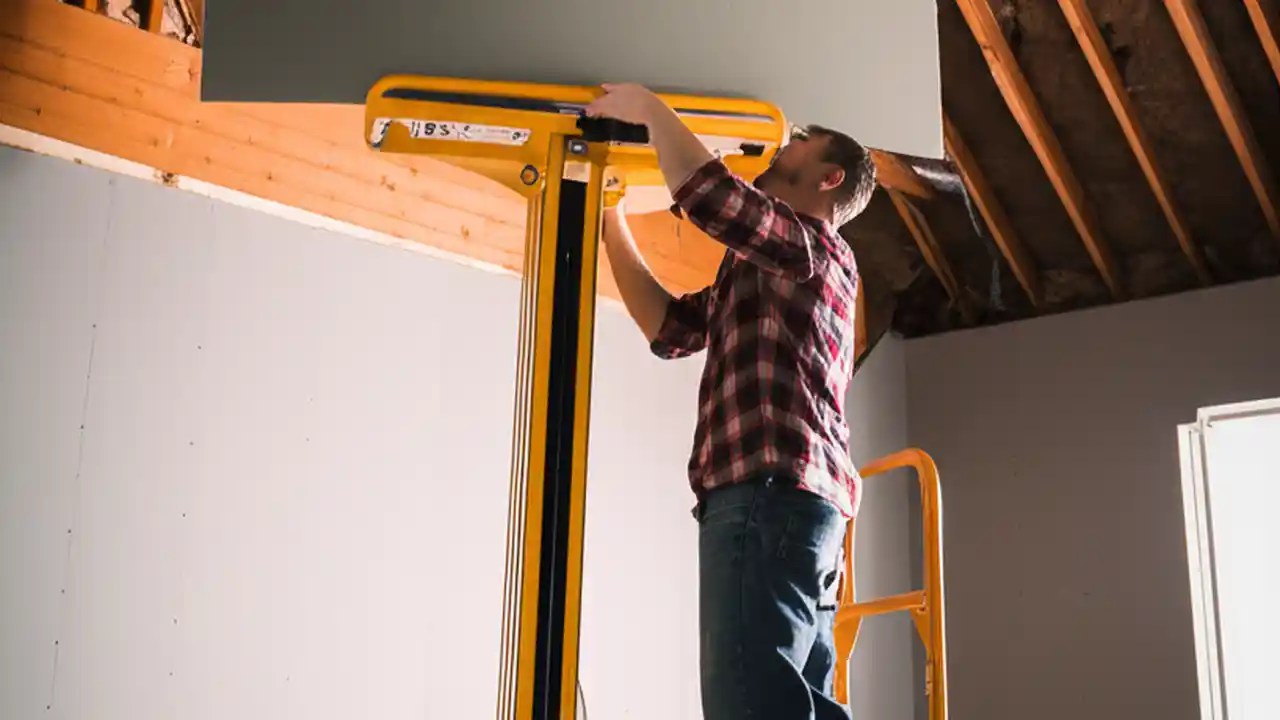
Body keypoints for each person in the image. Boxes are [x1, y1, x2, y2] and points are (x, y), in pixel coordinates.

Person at [585, 84, 877, 720]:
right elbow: (669, 329)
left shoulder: (814, 247)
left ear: (829, 178)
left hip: (770, 493)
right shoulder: (762, 268)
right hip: (790, 506)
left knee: (749, 704)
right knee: (787, 703)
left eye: (800, 142)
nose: (783, 145)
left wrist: (648, 108)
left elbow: (713, 198)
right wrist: (607, 216)